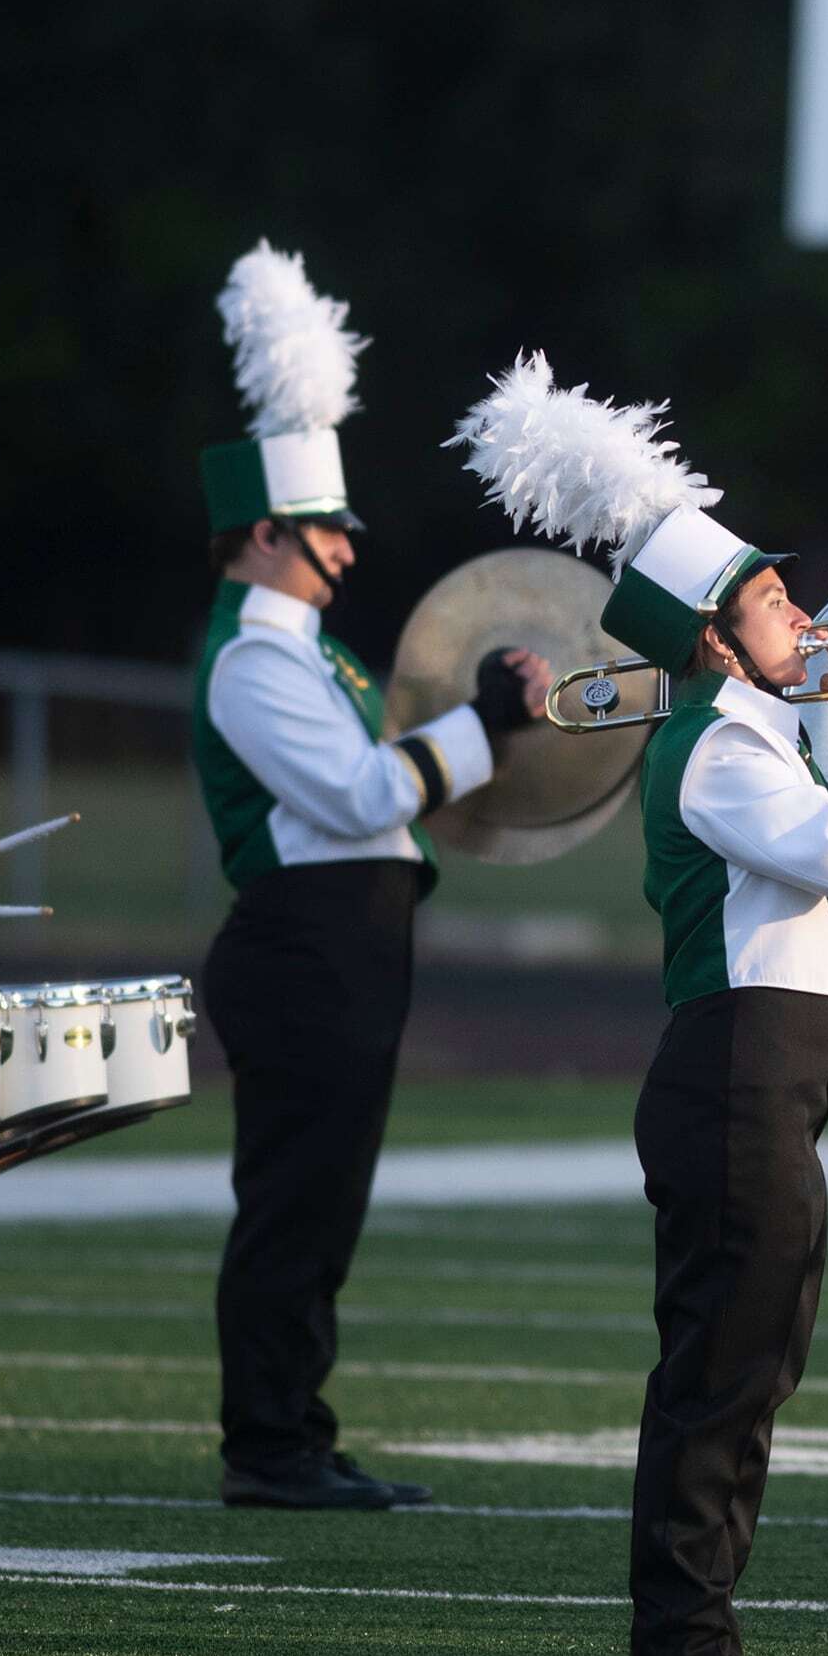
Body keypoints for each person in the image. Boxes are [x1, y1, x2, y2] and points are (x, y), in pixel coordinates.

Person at [191, 244, 549, 1511]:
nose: (347, 547)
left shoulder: (309, 654)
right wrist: (484, 726)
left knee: (322, 1200)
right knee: (293, 1199)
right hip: (303, 941)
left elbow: (377, 770)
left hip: (346, 940)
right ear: (270, 532)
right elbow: (350, 795)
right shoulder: (250, 659)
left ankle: (297, 1424)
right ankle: (267, 1445)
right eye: (327, 528)